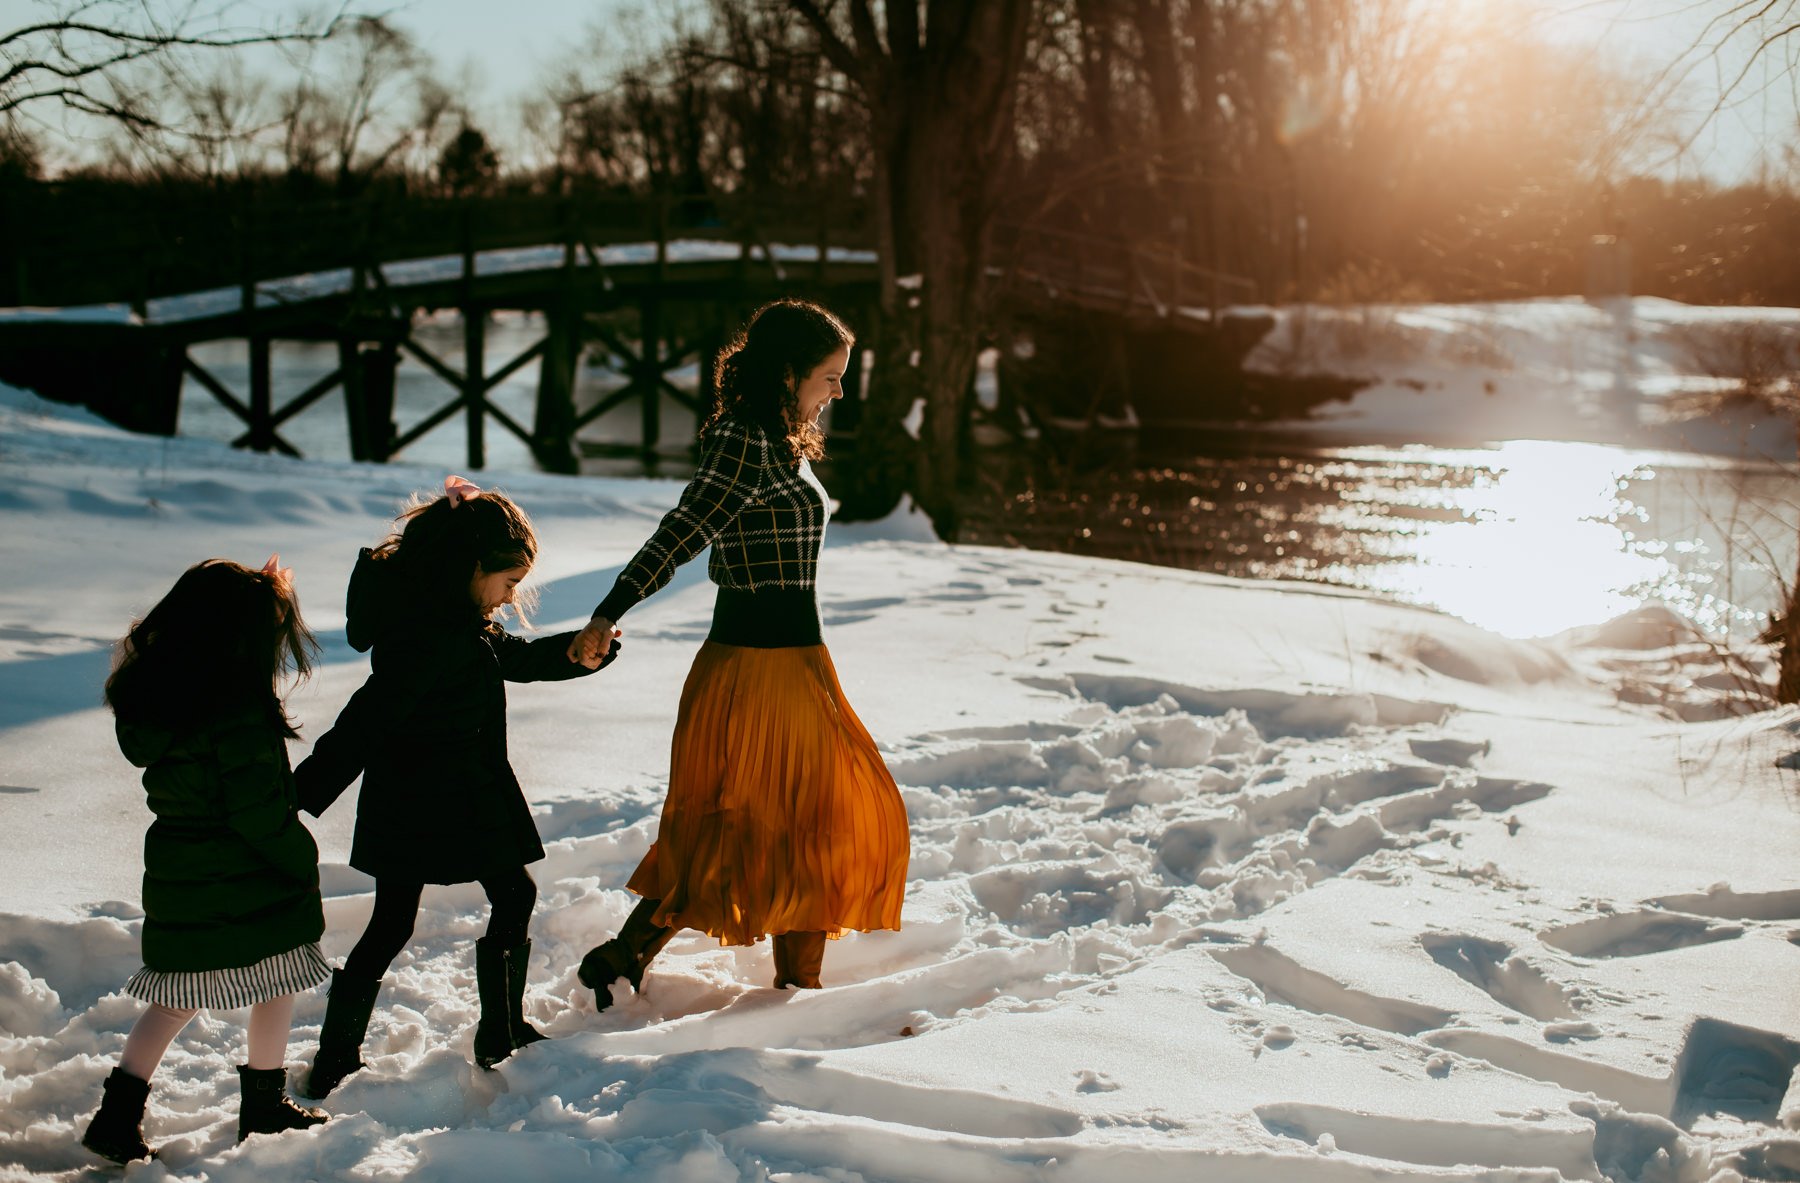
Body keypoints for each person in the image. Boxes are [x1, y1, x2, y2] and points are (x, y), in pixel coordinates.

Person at [568, 298, 909, 1007]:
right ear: (788, 375)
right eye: (829, 376)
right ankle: (791, 987)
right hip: (755, 666)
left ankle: (631, 954)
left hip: (795, 659)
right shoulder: (745, 439)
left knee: (802, 820)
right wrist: (608, 609)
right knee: (796, 821)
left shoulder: (782, 438)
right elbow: (683, 529)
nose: (837, 392)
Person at [293, 478, 619, 1097]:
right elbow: (366, 721)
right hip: (414, 798)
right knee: (391, 924)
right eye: (509, 582)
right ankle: (336, 1055)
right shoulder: (423, 637)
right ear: (471, 568)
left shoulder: (462, 619)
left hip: (470, 786)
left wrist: (576, 656)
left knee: (515, 894)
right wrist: (301, 794)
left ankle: (501, 1029)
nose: (511, 596)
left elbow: (515, 659)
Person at [82, 557, 330, 1165]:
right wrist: (298, 854)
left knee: (175, 994)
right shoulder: (235, 709)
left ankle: (116, 1117)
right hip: (244, 870)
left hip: (183, 866)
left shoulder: (164, 699)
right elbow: (256, 809)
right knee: (280, 975)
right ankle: (264, 1103)